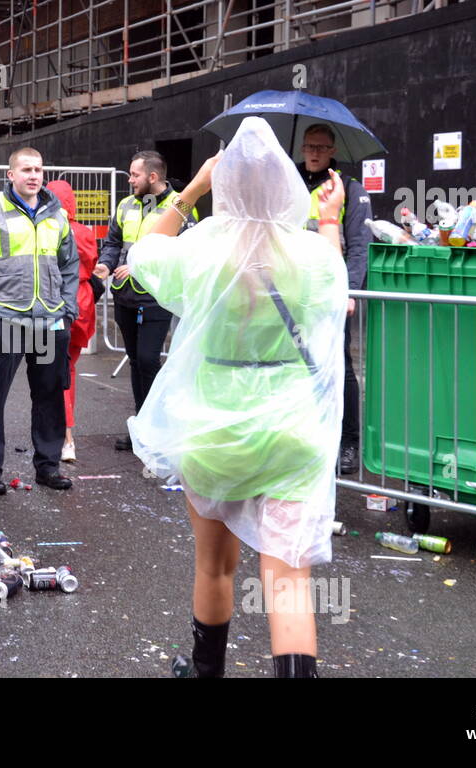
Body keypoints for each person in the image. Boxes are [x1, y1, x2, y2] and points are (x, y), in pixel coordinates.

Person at [126, 117, 347, 678]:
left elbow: (145, 253)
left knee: (214, 566)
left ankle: (206, 671)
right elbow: (334, 283)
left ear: (225, 187)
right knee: (290, 578)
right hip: (292, 433)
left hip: (213, 431)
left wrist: (193, 189)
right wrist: (327, 220)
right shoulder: (311, 257)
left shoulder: (201, 250)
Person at [0, 147, 79, 494]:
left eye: (39, 169)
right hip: (3, 321)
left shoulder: (58, 216)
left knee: (50, 397)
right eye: (26, 169)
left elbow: (69, 265)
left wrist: (67, 308)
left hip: (50, 321)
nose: (34, 175)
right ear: (10, 174)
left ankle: (48, 466)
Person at [95, 151, 197, 457]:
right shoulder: (125, 205)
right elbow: (113, 243)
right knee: (137, 363)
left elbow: (189, 251)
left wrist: (140, 267)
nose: (129, 180)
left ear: (152, 176)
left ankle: (158, 429)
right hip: (124, 295)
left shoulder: (180, 204)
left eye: (134, 175)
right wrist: (104, 263)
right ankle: (140, 428)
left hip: (156, 297)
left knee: (149, 361)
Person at [297, 123, 371, 475]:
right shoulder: (290, 185)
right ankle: (308, 437)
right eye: (309, 146)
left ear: (332, 151)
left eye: (320, 147)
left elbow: (359, 246)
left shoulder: (349, 189)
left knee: (339, 367)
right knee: (296, 366)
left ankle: (349, 443)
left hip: (330, 293)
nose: (313, 152)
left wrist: (350, 290)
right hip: (293, 293)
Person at [46, 180, 98, 464]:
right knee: (69, 370)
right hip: (83, 303)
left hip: (57, 303)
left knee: (54, 374)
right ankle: (65, 437)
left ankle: (64, 438)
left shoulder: (50, 229)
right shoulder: (85, 232)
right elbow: (91, 263)